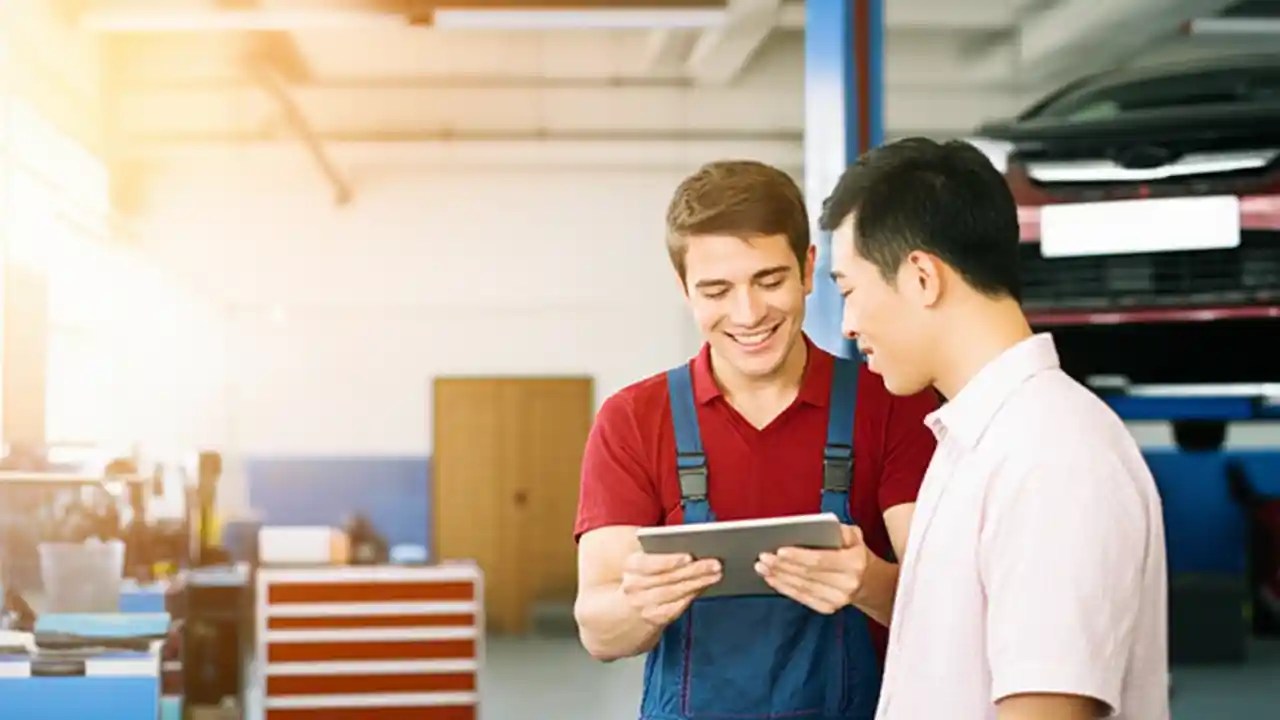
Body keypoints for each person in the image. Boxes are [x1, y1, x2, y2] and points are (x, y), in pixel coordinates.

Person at [572, 159, 939, 719]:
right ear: (685, 289)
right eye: (716, 290)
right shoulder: (633, 420)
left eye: (769, 281)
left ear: (808, 269)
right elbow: (599, 632)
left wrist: (868, 581)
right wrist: (637, 604)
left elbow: (946, 615)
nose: (748, 314)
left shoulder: (893, 403)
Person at [818, 137, 1170, 720]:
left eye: (849, 291)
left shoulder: (1051, 456)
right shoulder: (979, 443)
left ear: (922, 277)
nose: (848, 326)